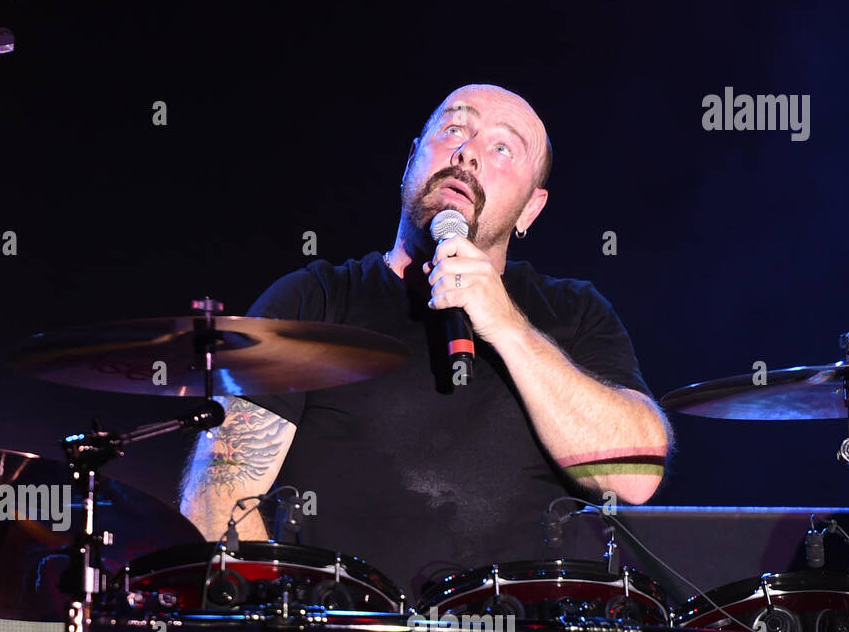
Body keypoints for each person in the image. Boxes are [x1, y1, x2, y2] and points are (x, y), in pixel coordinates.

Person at [179, 83, 671, 602]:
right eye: (455, 129)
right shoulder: (314, 300)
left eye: (503, 148)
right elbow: (218, 499)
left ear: (531, 209)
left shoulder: (574, 311)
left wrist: (508, 327)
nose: (469, 153)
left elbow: (634, 476)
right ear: (411, 159)